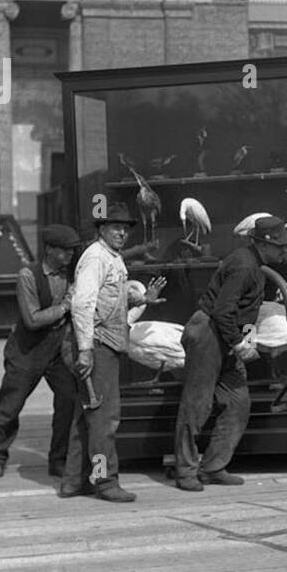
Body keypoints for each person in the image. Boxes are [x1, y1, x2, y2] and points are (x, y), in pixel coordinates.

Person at [173, 216, 287, 491]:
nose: (285, 250)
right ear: (264, 244)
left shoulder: (261, 259)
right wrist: (239, 344)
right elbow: (223, 310)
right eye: (281, 246)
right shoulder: (244, 266)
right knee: (197, 404)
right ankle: (185, 471)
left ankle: (212, 467)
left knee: (237, 403)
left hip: (226, 334)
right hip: (209, 332)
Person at [63, 203, 166, 502]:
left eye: (125, 228)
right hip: (97, 346)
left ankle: (73, 481)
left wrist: (143, 299)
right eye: (115, 227)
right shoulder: (96, 257)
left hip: (101, 344)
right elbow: (82, 305)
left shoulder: (112, 258)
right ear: (101, 229)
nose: (121, 232)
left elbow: (106, 303)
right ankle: (105, 481)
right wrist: (85, 350)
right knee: (105, 420)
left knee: (87, 415)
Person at [0, 224, 84, 479]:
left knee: (69, 399)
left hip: (57, 349)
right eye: (65, 250)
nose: (70, 255)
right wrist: (66, 306)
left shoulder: (71, 271)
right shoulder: (28, 275)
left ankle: (58, 459)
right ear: (49, 250)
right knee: (10, 405)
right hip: (26, 351)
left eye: (72, 250)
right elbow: (32, 319)